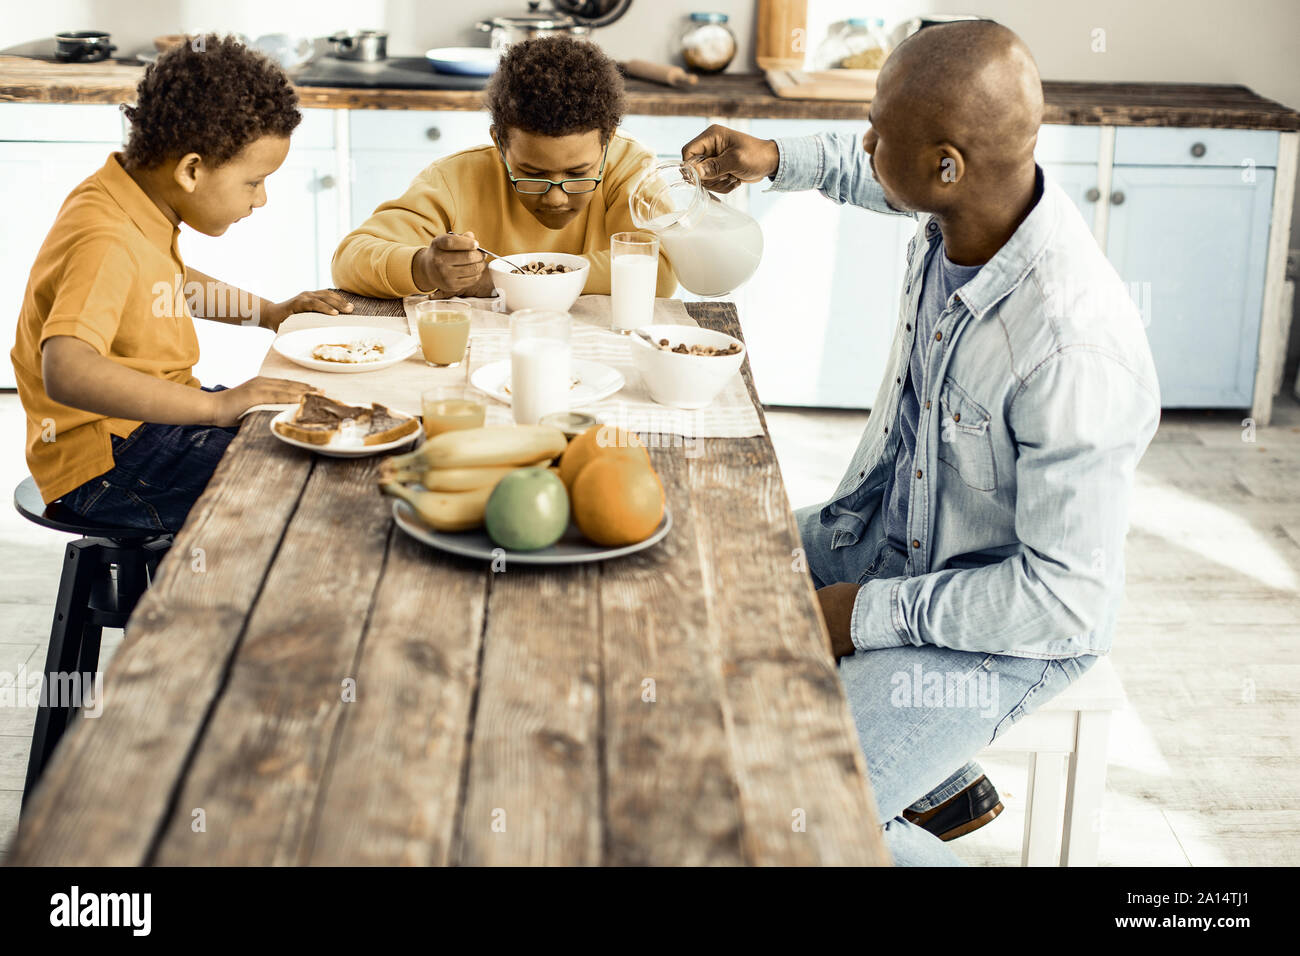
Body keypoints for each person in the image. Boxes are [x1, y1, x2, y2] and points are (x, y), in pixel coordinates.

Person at [681, 21, 1159, 865]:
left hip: (1002, 634)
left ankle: (890, 807)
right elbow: (873, 173)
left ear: (947, 165)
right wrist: (771, 159)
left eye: (878, 127)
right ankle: (930, 780)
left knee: (776, 802)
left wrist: (860, 617)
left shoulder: (1072, 347)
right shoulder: (963, 213)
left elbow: (1064, 602)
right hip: (888, 543)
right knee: (692, 588)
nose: (865, 142)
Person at [11, 36, 349, 533]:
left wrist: (270, 312)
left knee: (306, 428)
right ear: (191, 170)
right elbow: (67, 369)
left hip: (141, 431)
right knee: (304, 483)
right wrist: (214, 407)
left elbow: (171, 284)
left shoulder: (127, 199)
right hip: (110, 462)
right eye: (253, 182)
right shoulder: (105, 237)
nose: (261, 200)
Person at [332, 36, 675, 300]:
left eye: (576, 173)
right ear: (499, 143)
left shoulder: (632, 168)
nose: (556, 198)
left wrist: (505, 277)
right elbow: (349, 260)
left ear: (608, 140)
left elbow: (658, 272)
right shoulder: (455, 177)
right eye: (533, 173)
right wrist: (422, 267)